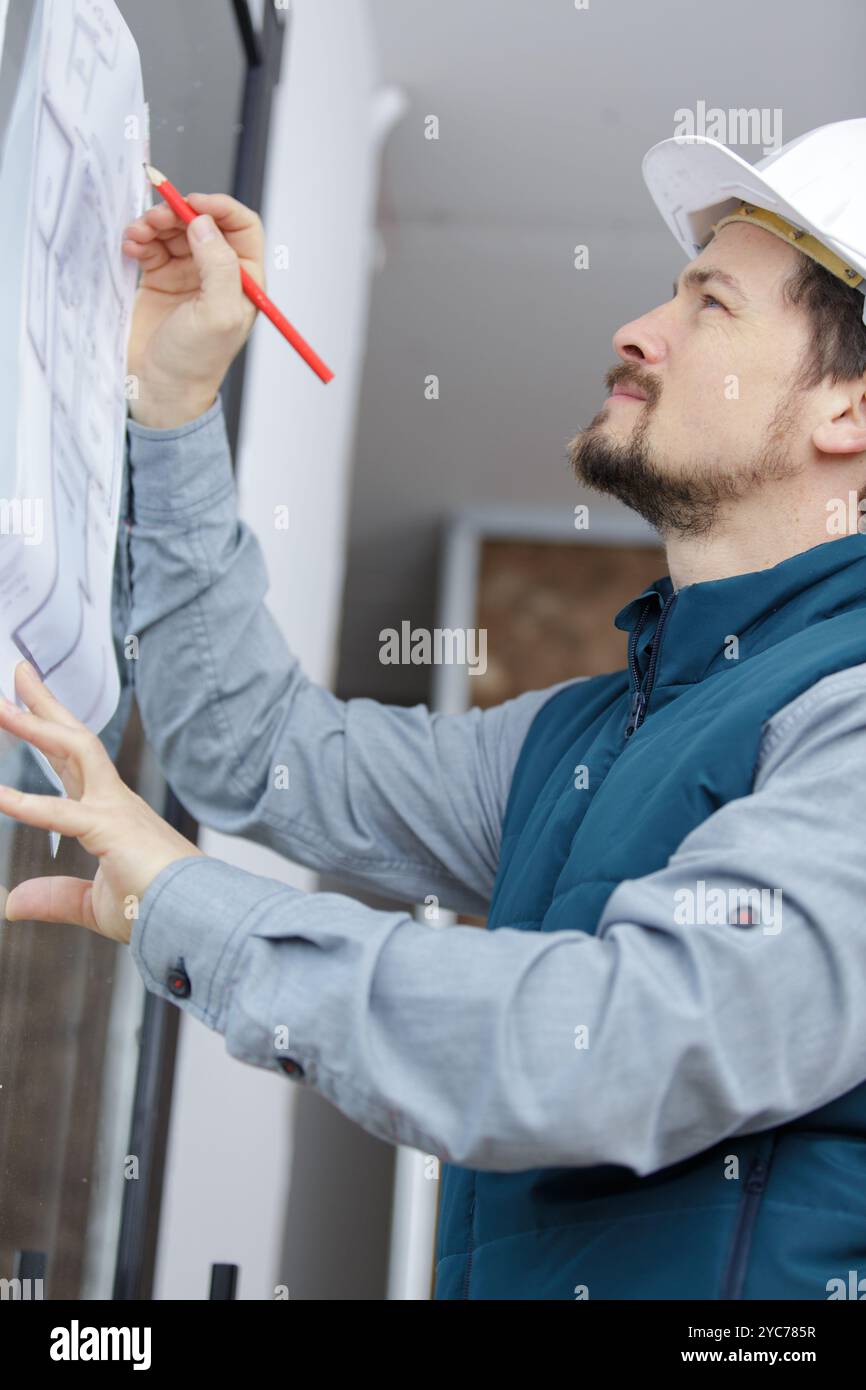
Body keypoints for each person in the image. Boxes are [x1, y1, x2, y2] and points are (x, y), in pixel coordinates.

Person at [2, 122, 866, 1301]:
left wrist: (187, 904)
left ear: (846, 413)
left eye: (708, 304)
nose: (635, 330)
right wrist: (174, 403)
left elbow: (616, 1048)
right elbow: (253, 753)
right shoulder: (585, 733)